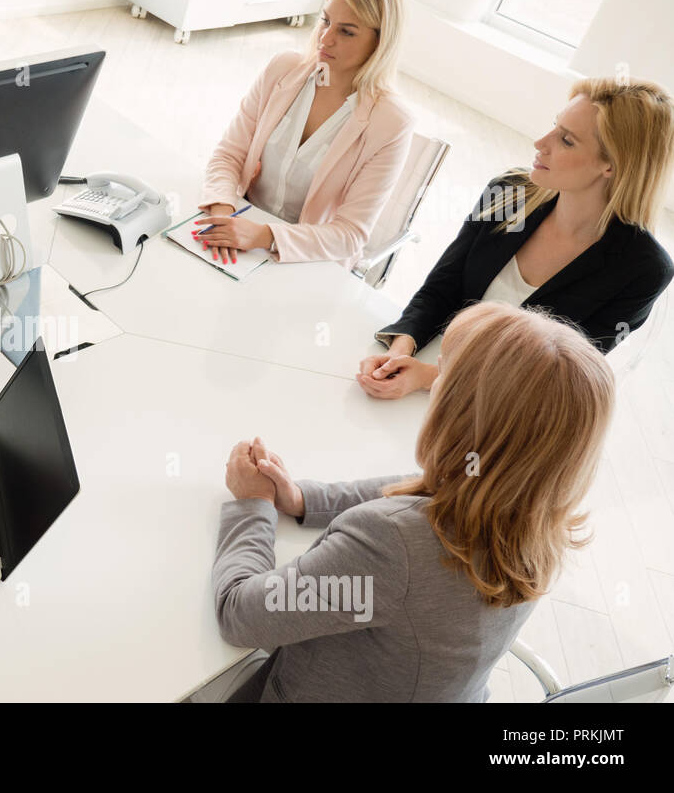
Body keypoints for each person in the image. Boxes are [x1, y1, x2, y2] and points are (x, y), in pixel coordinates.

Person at [213, 301, 614, 702]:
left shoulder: (390, 544)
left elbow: (239, 616)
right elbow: (432, 487)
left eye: (444, 372)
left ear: (459, 412)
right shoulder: (538, 511)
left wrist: (253, 504)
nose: (432, 381)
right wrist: (304, 499)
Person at [358, 77, 674, 400]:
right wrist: (402, 349)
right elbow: (441, 289)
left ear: (611, 165)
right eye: (554, 126)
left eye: (566, 140)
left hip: (503, 407)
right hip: (434, 359)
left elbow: (555, 375)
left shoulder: (644, 269)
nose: (540, 142)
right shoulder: (508, 191)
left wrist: (432, 377)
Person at [195, 0, 412, 269]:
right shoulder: (282, 69)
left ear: (380, 42)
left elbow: (350, 234)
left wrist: (265, 236)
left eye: (347, 31)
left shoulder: (392, 123)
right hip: (242, 227)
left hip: (308, 260)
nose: (325, 38)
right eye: (325, 20)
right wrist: (223, 213)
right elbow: (229, 154)